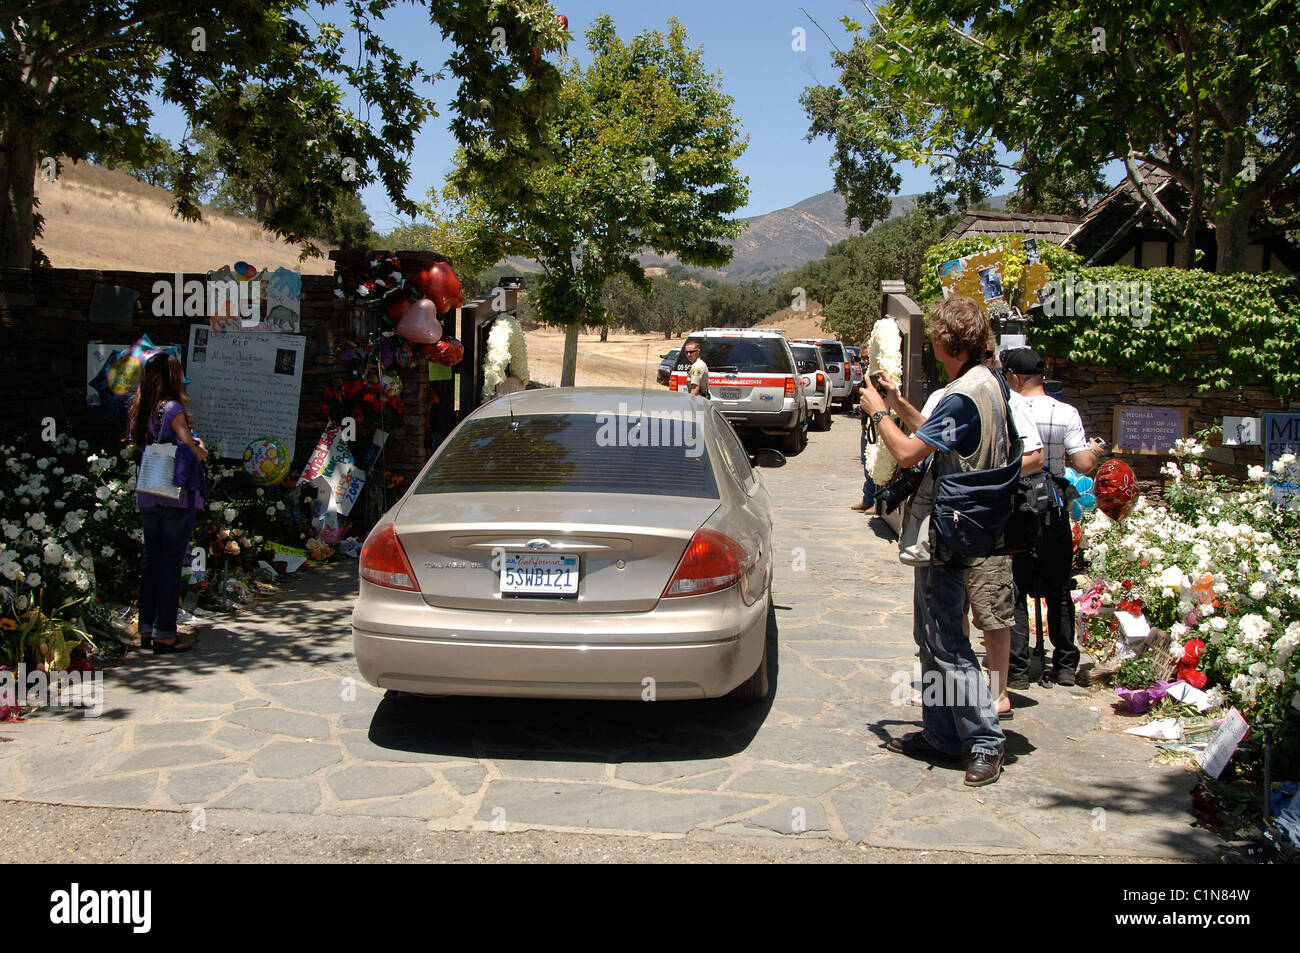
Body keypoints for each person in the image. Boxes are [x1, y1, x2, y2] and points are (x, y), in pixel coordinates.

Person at [860, 296, 1012, 786]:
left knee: (946, 639)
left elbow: (907, 453)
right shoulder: (985, 384)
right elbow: (939, 435)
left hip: (948, 530)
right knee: (933, 635)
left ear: (946, 342)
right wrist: (899, 402)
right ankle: (942, 733)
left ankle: (984, 740)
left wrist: (879, 413)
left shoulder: (961, 395)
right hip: (972, 524)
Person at [871, 342, 1044, 719]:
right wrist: (897, 402)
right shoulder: (949, 395)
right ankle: (946, 705)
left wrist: (984, 484)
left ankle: (995, 699)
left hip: (980, 521)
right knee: (948, 619)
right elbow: (928, 440)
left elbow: (1033, 455)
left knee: (989, 613)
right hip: (948, 526)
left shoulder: (996, 395)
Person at [1000, 347, 1105, 688]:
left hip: (1016, 507)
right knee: (1058, 587)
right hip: (1053, 508)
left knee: (1014, 588)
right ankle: (1064, 665)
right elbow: (1084, 465)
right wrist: (1094, 450)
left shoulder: (1007, 409)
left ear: (1014, 377)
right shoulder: (1066, 412)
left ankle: (1016, 670)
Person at [128, 352, 208, 654]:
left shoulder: (139, 408)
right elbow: (189, 445)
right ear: (172, 377)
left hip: (149, 492)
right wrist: (201, 450)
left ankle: (146, 630)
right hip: (174, 496)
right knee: (170, 564)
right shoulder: (173, 408)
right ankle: (165, 634)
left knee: (150, 563)